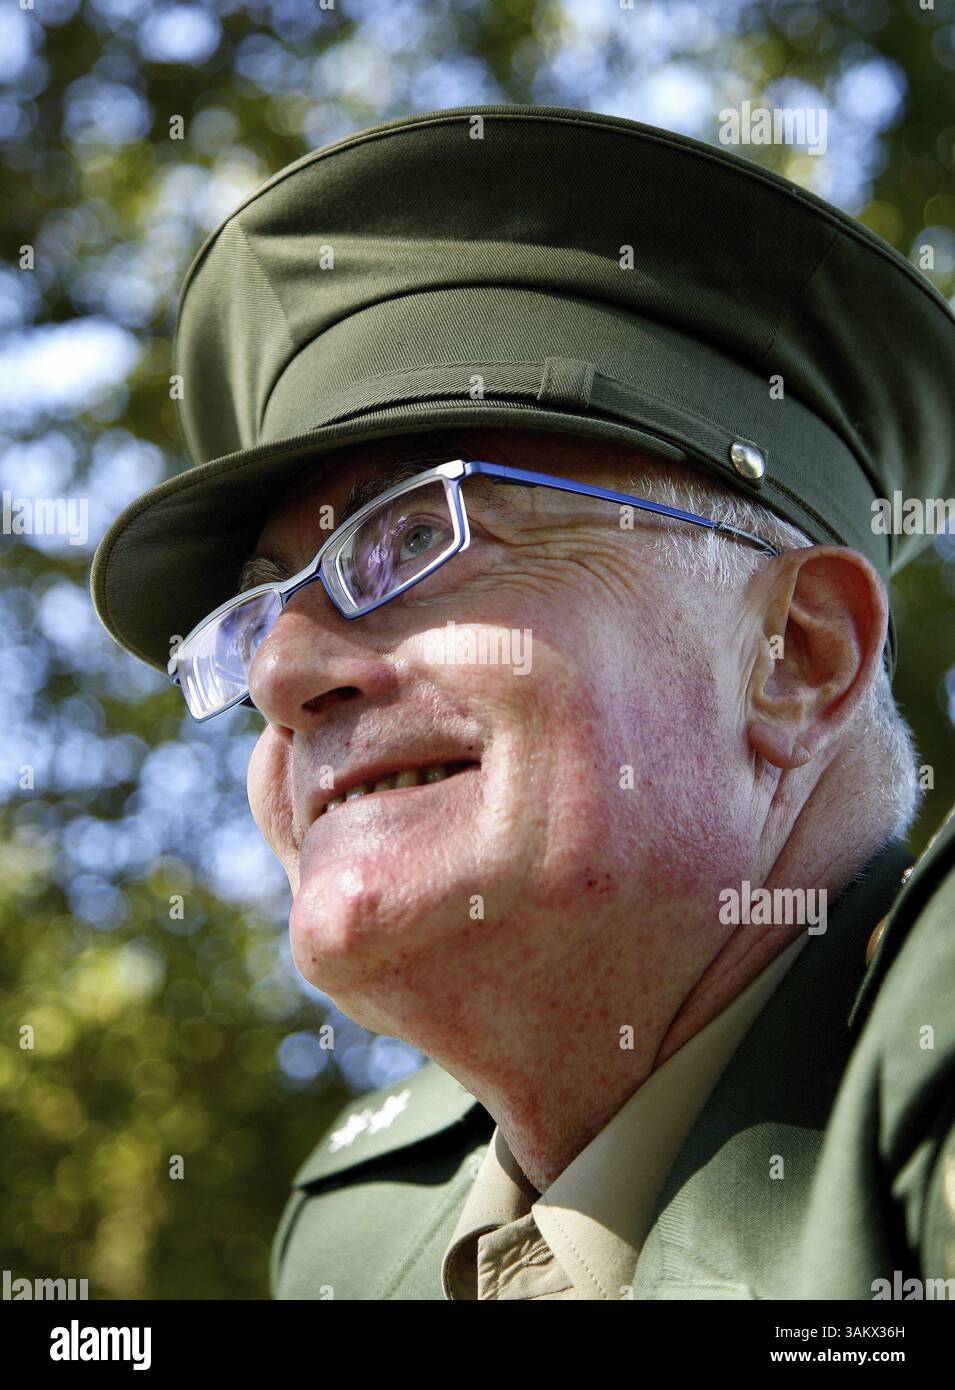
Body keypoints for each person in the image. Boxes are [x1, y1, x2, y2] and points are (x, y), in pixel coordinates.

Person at [91, 104, 955, 1300]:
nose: (282, 675)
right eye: (255, 615)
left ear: (795, 656)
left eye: (411, 538)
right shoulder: (353, 1242)